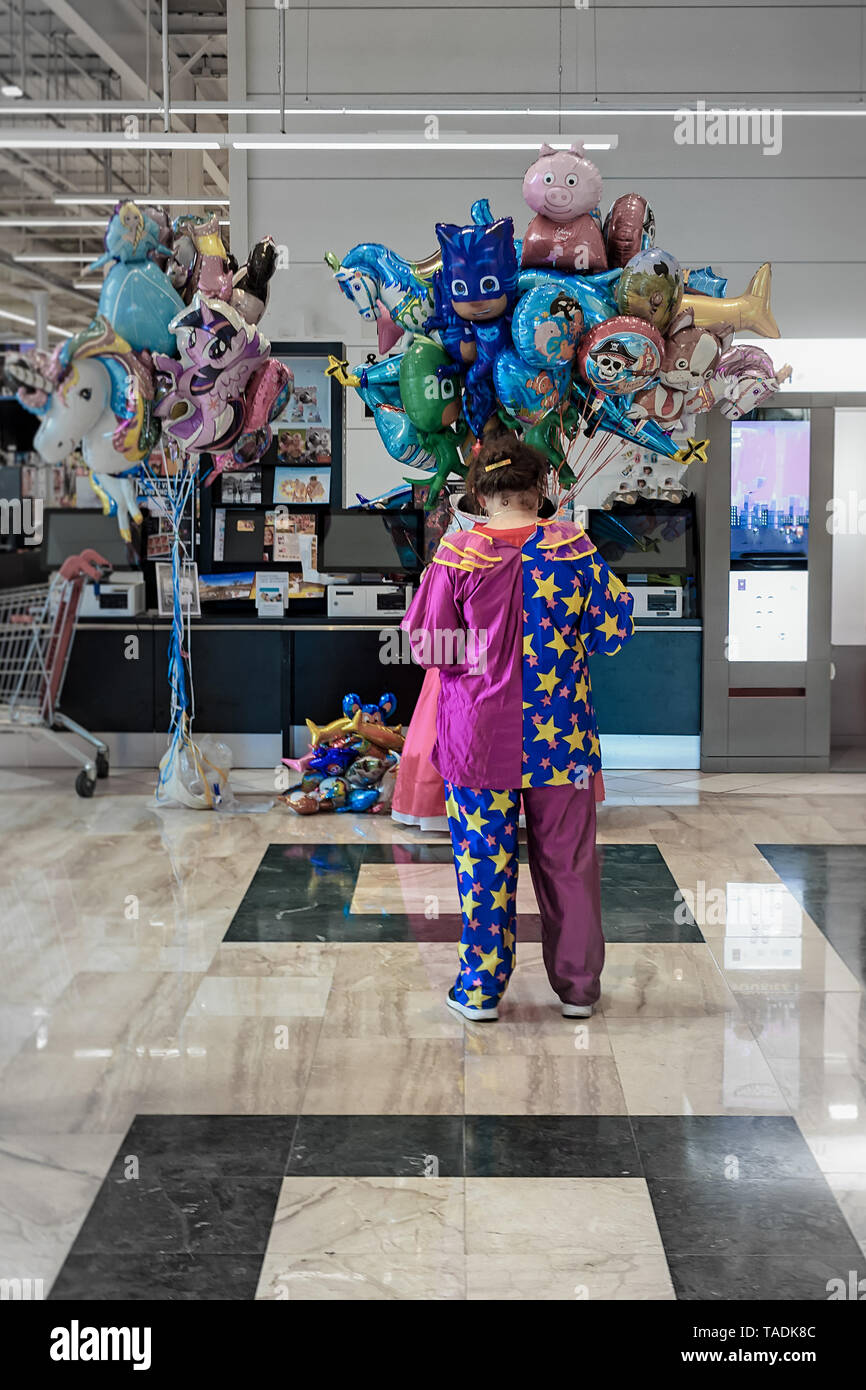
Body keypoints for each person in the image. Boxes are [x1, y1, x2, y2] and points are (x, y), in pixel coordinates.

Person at [402, 434, 634, 1021]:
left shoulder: (456, 556)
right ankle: (579, 989)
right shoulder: (576, 549)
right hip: (564, 739)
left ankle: (480, 991)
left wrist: (481, 655)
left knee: (483, 865)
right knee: (570, 863)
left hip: (479, 741)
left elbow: (430, 644)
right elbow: (614, 634)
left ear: (479, 492)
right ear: (542, 490)